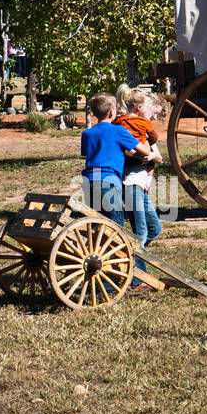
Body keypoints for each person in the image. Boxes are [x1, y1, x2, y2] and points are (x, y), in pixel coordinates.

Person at [113, 86, 165, 284]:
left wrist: (150, 154)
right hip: (131, 182)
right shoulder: (122, 126)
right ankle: (135, 277)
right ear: (139, 107)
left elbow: (158, 155)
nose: (152, 114)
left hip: (141, 185)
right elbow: (123, 150)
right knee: (140, 233)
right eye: (149, 108)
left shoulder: (142, 128)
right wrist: (137, 153)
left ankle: (129, 257)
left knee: (154, 229)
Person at [81, 92, 150, 232]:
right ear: (112, 112)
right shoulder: (119, 130)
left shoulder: (87, 134)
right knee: (116, 224)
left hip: (89, 181)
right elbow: (145, 151)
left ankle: (97, 251)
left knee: (96, 222)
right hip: (110, 182)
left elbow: (90, 153)